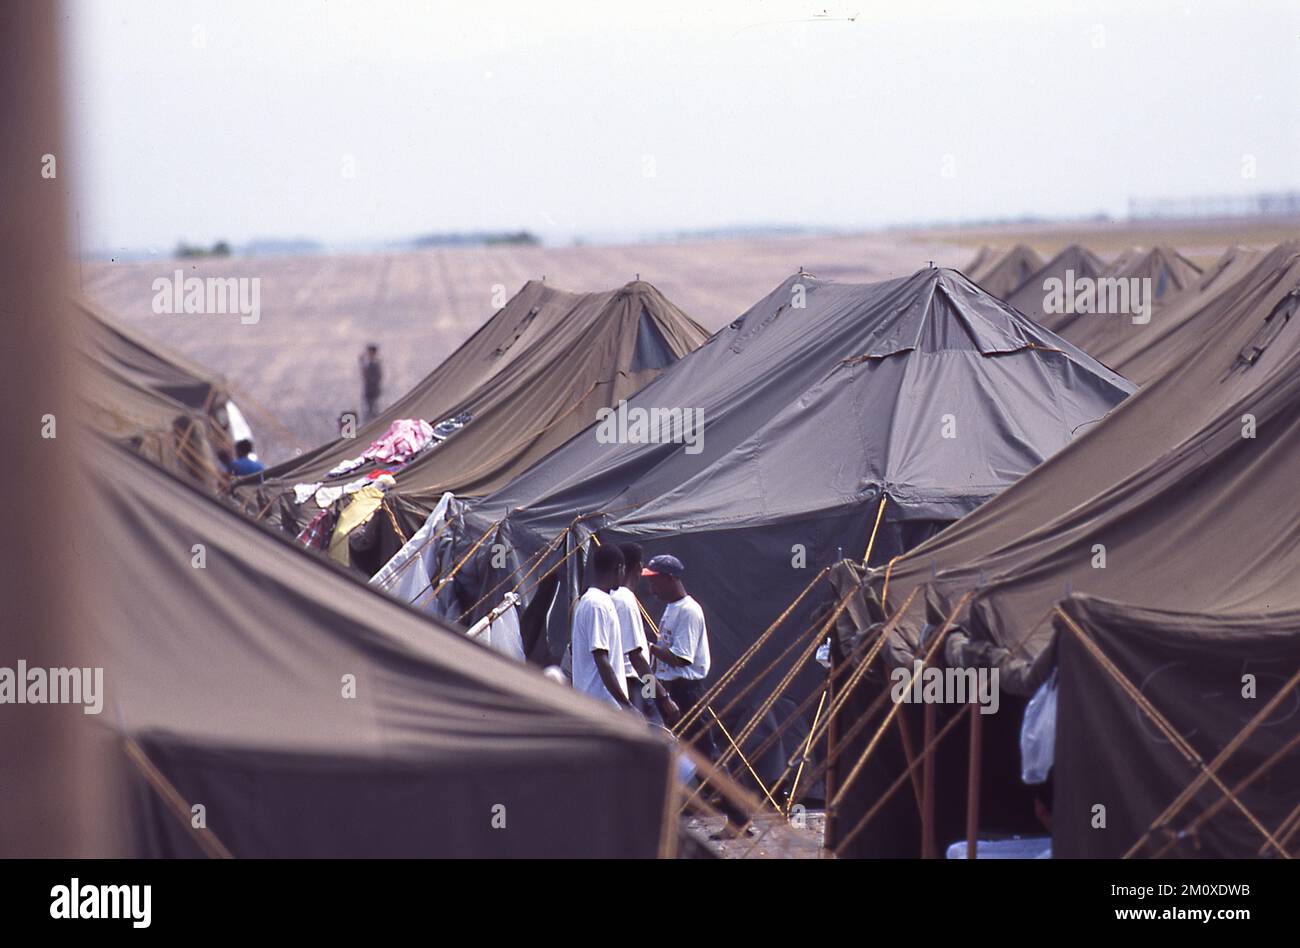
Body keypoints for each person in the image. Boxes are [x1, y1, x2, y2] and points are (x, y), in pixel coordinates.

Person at [643, 554, 713, 755]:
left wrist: (650, 647)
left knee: (703, 752)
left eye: (655, 582)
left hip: (686, 690)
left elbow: (681, 658)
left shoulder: (688, 610)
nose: (651, 588)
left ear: (670, 578)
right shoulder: (671, 607)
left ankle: (717, 787)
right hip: (668, 687)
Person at [612, 543, 679, 725]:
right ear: (639, 567)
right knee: (654, 731)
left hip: (635, 681)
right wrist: (663, 698)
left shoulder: (612, 597)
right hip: (634, 681)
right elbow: (636, 658)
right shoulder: (625, 600)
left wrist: (651, 696)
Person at [569, 544, 631, 710]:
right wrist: (626, 705)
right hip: (601, 705)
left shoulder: (594, 600)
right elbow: (601, 658)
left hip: (599, 704)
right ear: (619, 568)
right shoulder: (596, 604)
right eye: (624, 570)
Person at [359, 344, 383, 421]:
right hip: (369, 389)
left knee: (372, 409)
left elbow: (377, 377)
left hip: (372, 389)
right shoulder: (370, 363)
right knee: (369, 408)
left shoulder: (375, 363)